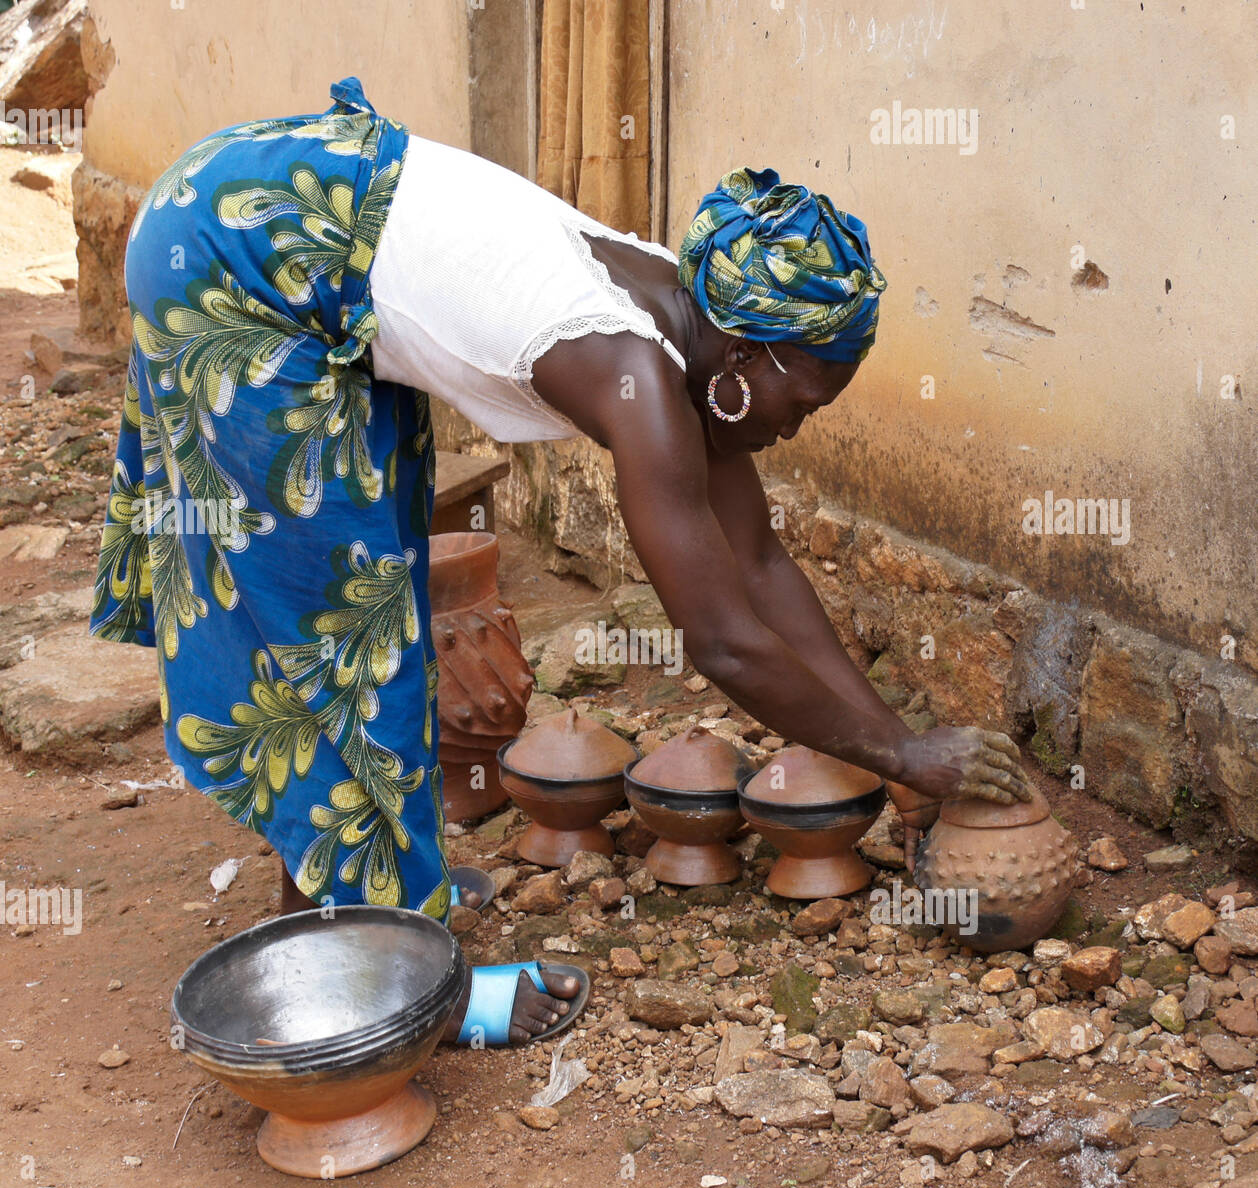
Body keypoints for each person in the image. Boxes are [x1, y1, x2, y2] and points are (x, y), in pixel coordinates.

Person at [90, 78, 1031, 1048]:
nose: (799, 428)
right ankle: (387, 973)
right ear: (748, 358)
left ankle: (356, 904)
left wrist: (894, 741)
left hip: (306, 220)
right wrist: (897, 753)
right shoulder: (634, 374)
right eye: (809, 402)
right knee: (336, 631)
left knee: (372, 600)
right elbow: (723, 640)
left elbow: (757, 565)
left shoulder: (696, 315)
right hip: (240, 259)